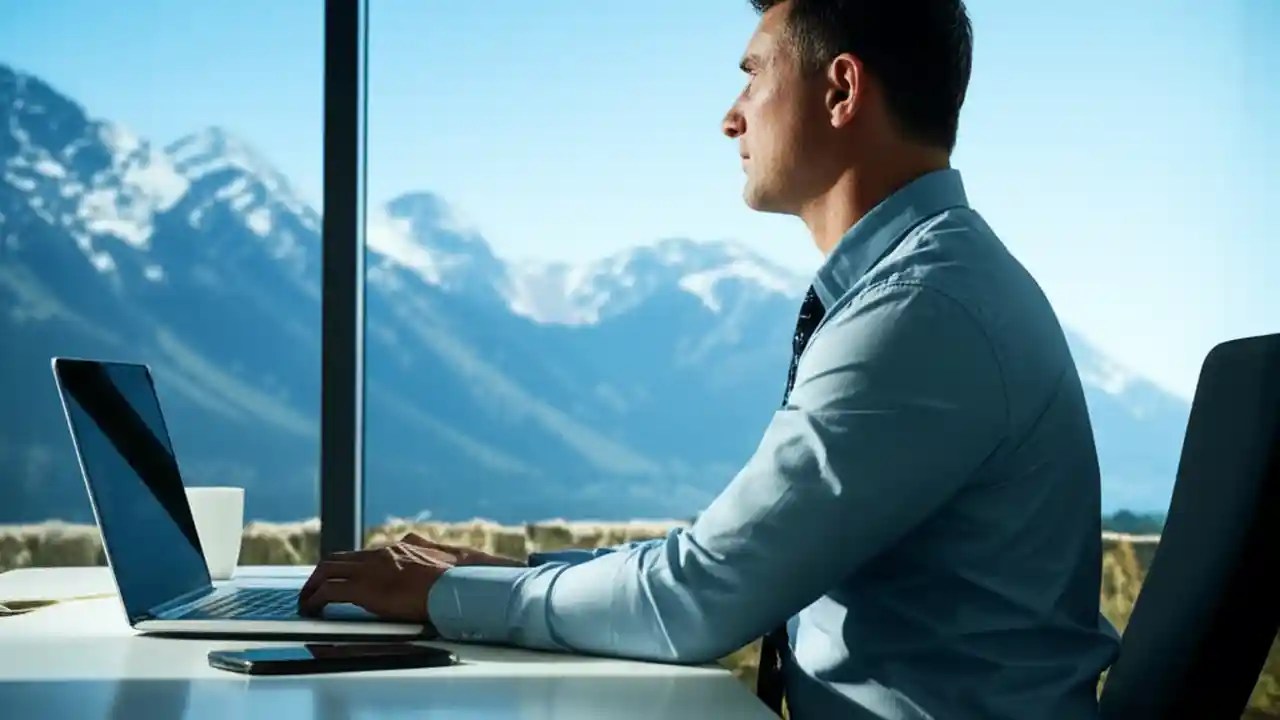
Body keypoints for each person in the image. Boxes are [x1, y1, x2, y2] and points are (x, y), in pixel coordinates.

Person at [299, 0, 1122, 717]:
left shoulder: (922, 312)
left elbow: (700, 597)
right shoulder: (928, 285)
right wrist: (513, 575)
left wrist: (456, 596)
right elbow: (735, 556)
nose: (731, 116)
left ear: (840, 89)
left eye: (753, 74)